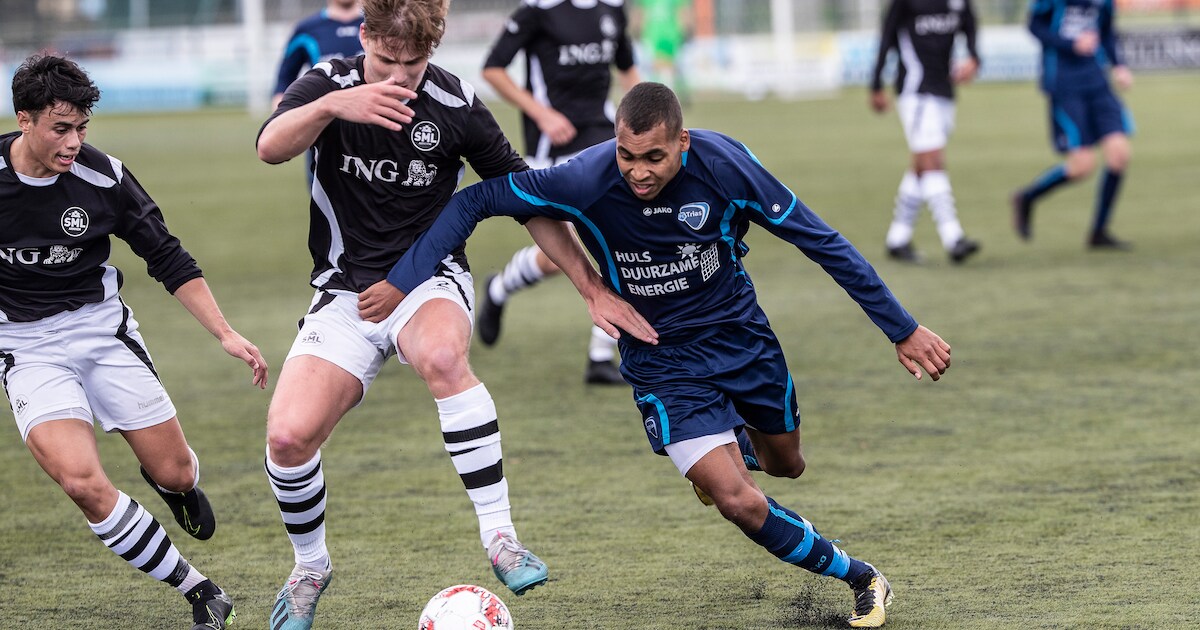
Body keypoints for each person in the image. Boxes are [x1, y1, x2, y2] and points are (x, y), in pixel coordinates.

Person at [361, 82, 954, 628]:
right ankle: (862, 578)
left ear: (683, 144)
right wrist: (406, 278)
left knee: (786, 466)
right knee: (738, 500)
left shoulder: (726, 166)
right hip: (660, 357)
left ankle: (724, 443)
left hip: (741, 341)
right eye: (627, 156)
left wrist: (901, 328)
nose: (638, 172)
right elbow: (475, 201)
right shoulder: (586, 178)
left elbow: (822, 242)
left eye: (654, 158)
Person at [255, 1, 648, 627]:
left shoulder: (456, 105)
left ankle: (501, 538)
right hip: (342, 292)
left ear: (430, 54)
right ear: (364, 39)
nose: (397, 76)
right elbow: (270, 147)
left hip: (428, 282)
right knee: (287, 438)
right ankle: (309, 566)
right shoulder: (329, 82)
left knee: (441, 357)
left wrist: (591, 289)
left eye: (412, 64)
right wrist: (335, 106)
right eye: (384, 60)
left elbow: (528, 201)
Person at [1, 54, 269, 630]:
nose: (74, 142)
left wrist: (224, 333)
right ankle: (200, 591)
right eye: (60, 128)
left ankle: (173, 487)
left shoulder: (105, 178)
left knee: (175, 473)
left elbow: (167, 256)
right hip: (25, 345)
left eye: (82, 128)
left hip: (101, 331)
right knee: (81, 481)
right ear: (23, 120)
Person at [477, 0, 641, 385]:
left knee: (623, 236)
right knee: (559, 256)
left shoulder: (611, 9)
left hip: (604, 139)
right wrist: (542, 114)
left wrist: (644, 123)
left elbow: (628, 68)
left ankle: (602, 353)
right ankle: (500, 288)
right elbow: (493, 69)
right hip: (552, 147)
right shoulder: (538, 10)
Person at [1012, 0, 1134, 249]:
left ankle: (1098, 233)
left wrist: (1119, 65)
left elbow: (1107, 31)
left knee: (1119, 155)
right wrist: (1070, 44)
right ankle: (1027, 197)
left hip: (1097, 82)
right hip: (1064, 85)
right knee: (1082, 166)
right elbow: (1034, 25)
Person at [869, 0, 982, 264]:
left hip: (944, 91)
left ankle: (898, 238)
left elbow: (970, 26)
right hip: (916, 90)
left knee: (922, 164)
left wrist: (975, 58)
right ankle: (953, 237)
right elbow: (886, 36)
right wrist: (876, 84)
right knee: (933, 159)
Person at [271, 0, 364, 186]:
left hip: (376, 127)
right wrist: (284, 121)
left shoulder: (379, 24)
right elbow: (283, 81)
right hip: (324, 132)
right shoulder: (307, 29)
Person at [631, 0, 691, 106]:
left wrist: (636, 28)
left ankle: (662, 98)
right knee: (663, 67)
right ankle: (665, 99)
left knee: (662, 67)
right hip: (665, 34)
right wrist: (686, 29)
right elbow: (683, 12)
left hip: (658, 34)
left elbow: (639, 12)